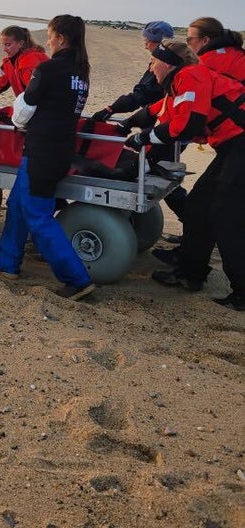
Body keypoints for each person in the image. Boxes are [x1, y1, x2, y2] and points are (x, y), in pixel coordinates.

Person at [121, 41, 245, 311]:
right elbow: (159, 112)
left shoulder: (191, 76)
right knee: (199, 208)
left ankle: (241, 292)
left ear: (167, 63)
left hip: (239, 145)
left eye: (153, 62)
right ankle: (191, 273)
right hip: (231, 147)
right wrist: (125, 121)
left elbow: (187, 125)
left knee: (226, 216)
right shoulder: (181, 81)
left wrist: (143, 138)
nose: (150, 68)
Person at [0, 14, 95, 300]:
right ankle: (8, 264)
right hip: (59, 147)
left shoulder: (49, 69)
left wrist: (20, 121)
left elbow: (23, 111)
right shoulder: (80, 72)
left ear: (59, 37)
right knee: (18, 204)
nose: (47, 39)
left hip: (42, 151)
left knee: (38, 215)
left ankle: (77, 279)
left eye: (49, 34)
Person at [90, 20, 188, 222]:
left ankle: (195, 227)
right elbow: (156, 104)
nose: (144, 44)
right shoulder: (170, 69)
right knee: (156, 174)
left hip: (164, 130)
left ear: (157, 42)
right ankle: (192, 227)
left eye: (147, 40)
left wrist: (112, 109)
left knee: (147, 174)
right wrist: (129, 121)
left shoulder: (168, 70)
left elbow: (142, 97)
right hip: (163, 127)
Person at [186, 17, 245, 83]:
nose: (188, 44)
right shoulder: (239, 53)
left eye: (189, 39)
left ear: (205, 40)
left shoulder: (202, 64)